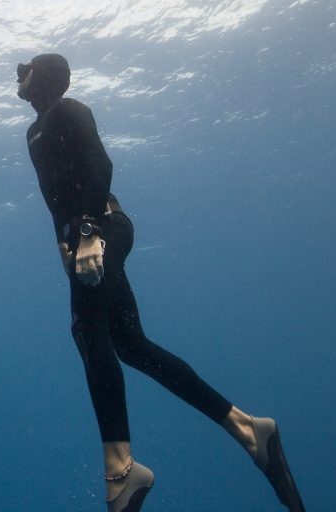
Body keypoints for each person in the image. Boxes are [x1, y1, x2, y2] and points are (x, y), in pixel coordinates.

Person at [17, 54, 305, 512]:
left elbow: (99, 163)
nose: (19, 75)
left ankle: (122, 472)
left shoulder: (71, 111)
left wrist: (89, 231)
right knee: (130, 345)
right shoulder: (33, 134)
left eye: (25, 68)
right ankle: (249, 430)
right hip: (84, 236)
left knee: (87, 330)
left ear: (44, 76)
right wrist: (64, 243)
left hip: (107, 226)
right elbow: (53, 195)